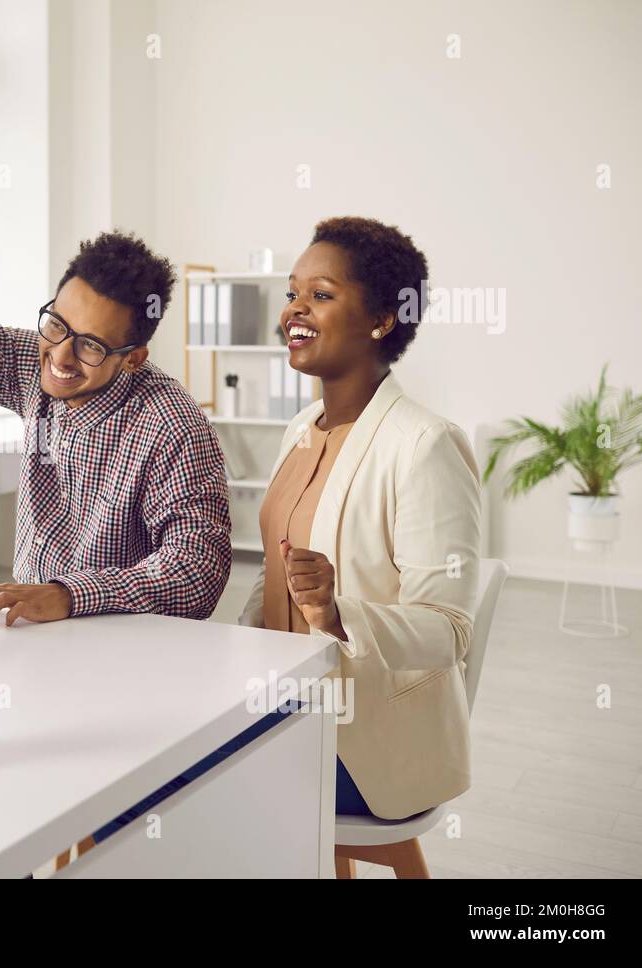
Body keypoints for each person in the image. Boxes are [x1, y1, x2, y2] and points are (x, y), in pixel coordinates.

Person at [0, 230, 232, 625]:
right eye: (57, 325)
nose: (61, 356)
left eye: (91, 345)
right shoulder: (33, 364)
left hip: (126, 635)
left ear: (132, 359)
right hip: (33, 624)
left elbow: (197, 571)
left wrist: (69, 594)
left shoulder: (172, 425)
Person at [239, 216, 480, 820]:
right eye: (292, 292)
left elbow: (450, 630)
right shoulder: (301, 429)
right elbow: (277, 571)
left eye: (321, 295)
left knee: (158, 784)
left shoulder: (424, 444)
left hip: (363, 741)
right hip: (281, 696)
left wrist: (336, 613)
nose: (294, 309)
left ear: (381, 320)